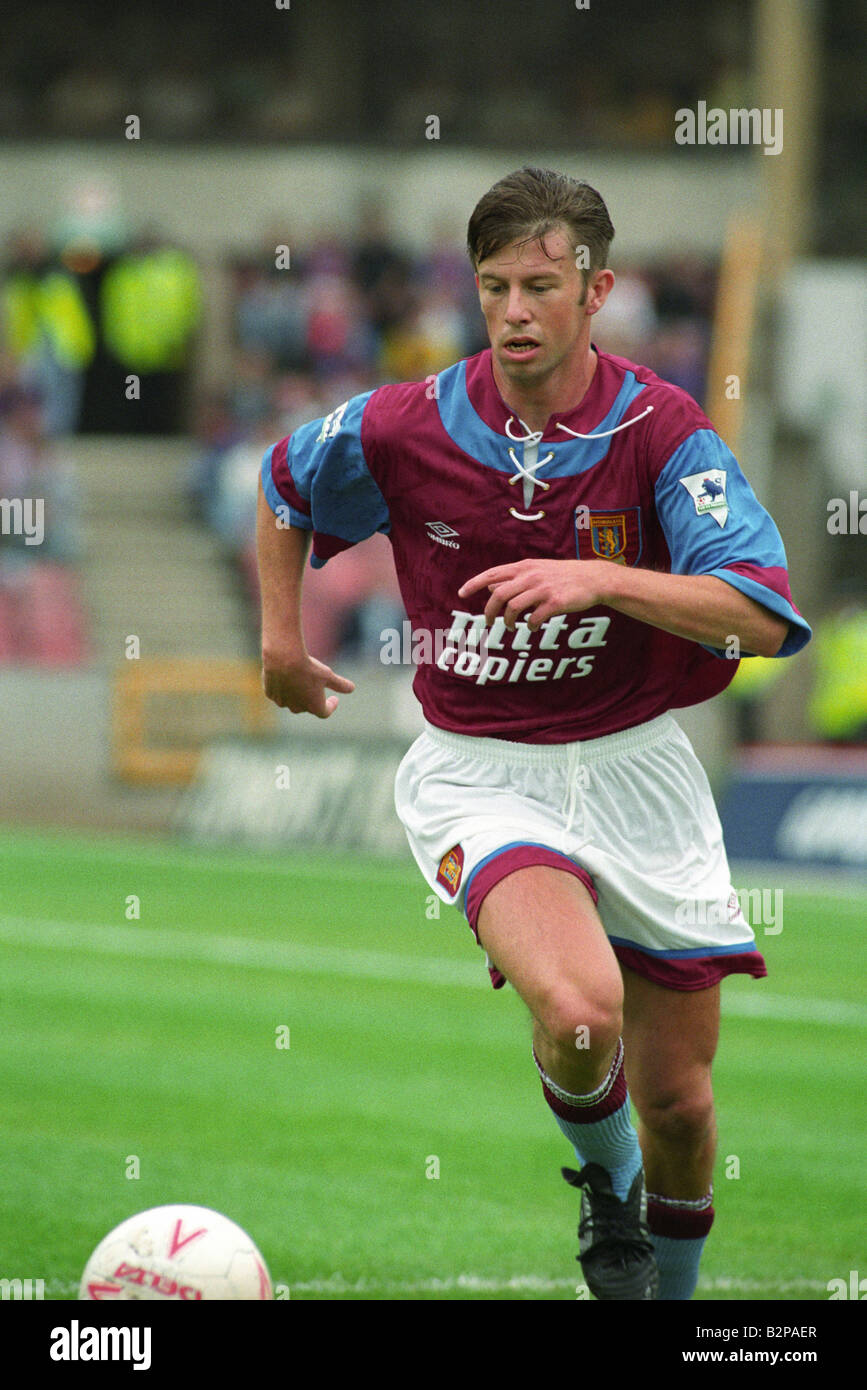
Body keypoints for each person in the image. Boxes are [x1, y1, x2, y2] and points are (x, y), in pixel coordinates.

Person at [256, 168, 811, 1300]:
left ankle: (678, 1298)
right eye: (495, 285)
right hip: (480, 774)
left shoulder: (661, 428)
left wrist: (599, 579)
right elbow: (285, 486)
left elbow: (763, 611)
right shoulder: (408, 422)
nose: (513, 310)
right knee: (575, 1008)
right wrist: (276, 643)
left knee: (683, 1108)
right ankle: (608, 1194)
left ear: (596, 291)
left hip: (637, 767)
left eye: (540, 287)